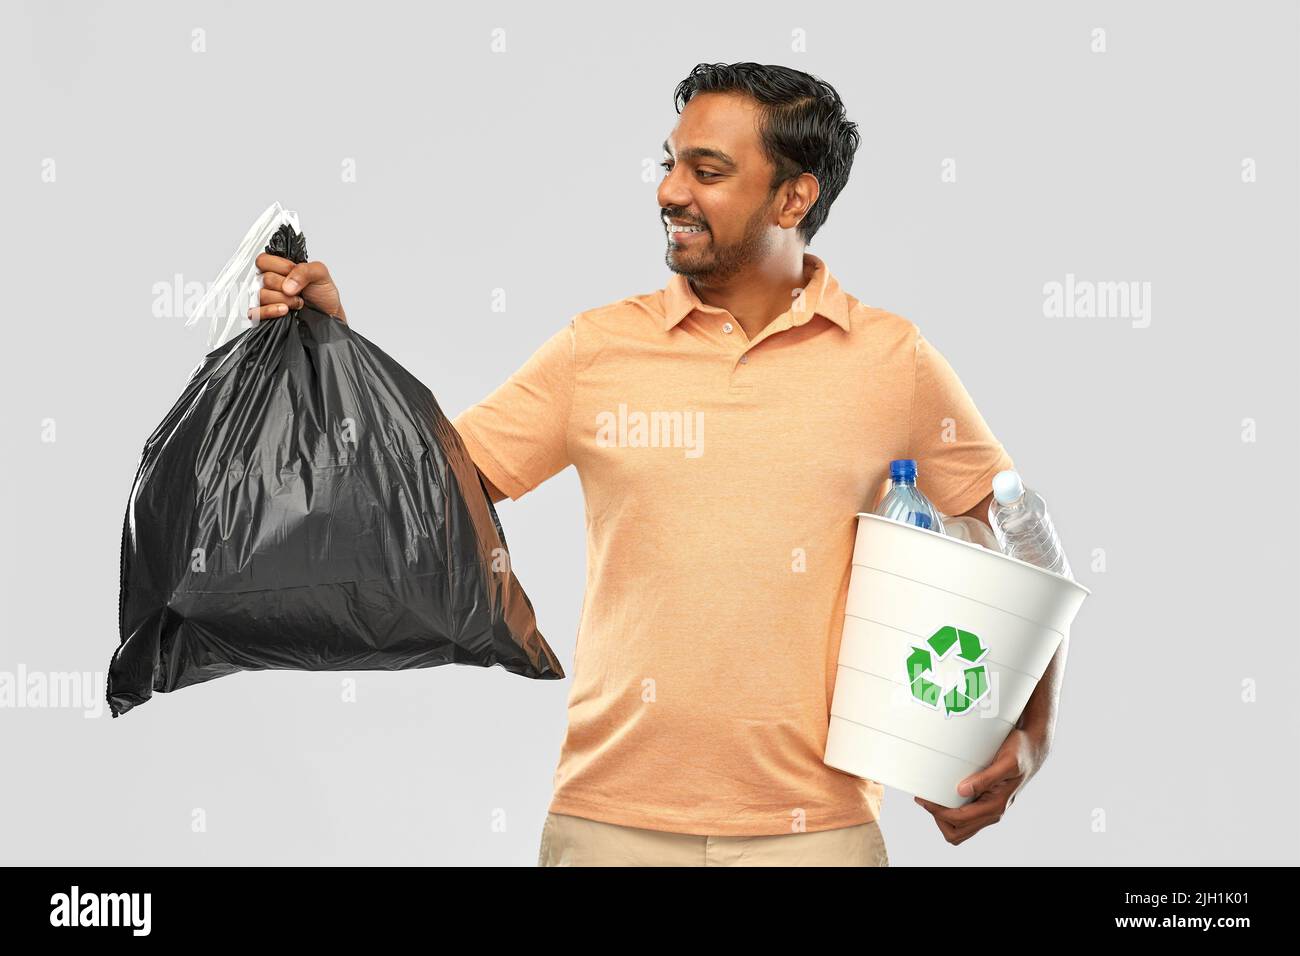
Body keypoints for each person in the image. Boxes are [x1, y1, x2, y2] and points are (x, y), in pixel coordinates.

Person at [249, 62, 1063, 866]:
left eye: (706, 171)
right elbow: (415, 496)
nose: (670, 191)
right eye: (669, 163)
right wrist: (332, 349)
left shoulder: (891, 359)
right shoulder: (596, 350)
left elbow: (1028, 546)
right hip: (610, 827)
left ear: (794, 197)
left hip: (815, 834)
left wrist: (1031, 739)